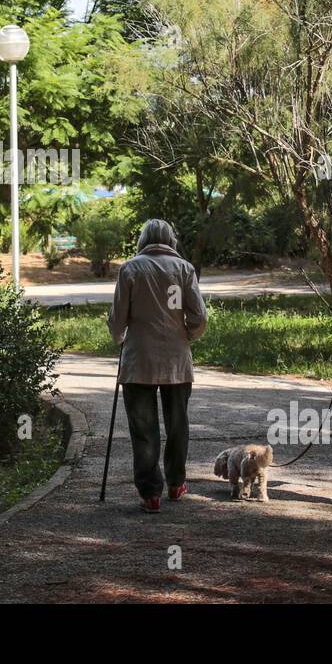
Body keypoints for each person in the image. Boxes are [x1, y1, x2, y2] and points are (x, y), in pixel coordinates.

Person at [107, 219, 208, 513]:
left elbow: (117, 320)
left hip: (139, 360)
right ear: (171, 240)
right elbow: (199, 316)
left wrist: (119, 338)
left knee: (143, 428)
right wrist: (187, 335)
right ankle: (176, 484)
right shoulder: (184, 269)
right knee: (178, 424)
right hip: (177, 360)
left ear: (143, 240)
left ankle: (151, 493)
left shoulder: (129, 269)